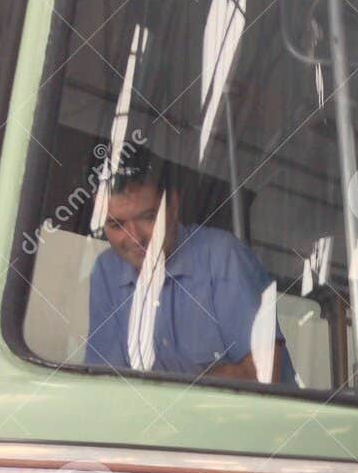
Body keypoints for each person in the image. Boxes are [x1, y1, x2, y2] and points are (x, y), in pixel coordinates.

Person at [87, 144, 296, 387]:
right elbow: (105, 384)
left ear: (174, 206)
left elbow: (263, 377)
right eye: (116, 225)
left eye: (147, 217)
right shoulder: (106, 271)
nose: (134, 238)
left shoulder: (222, 257)